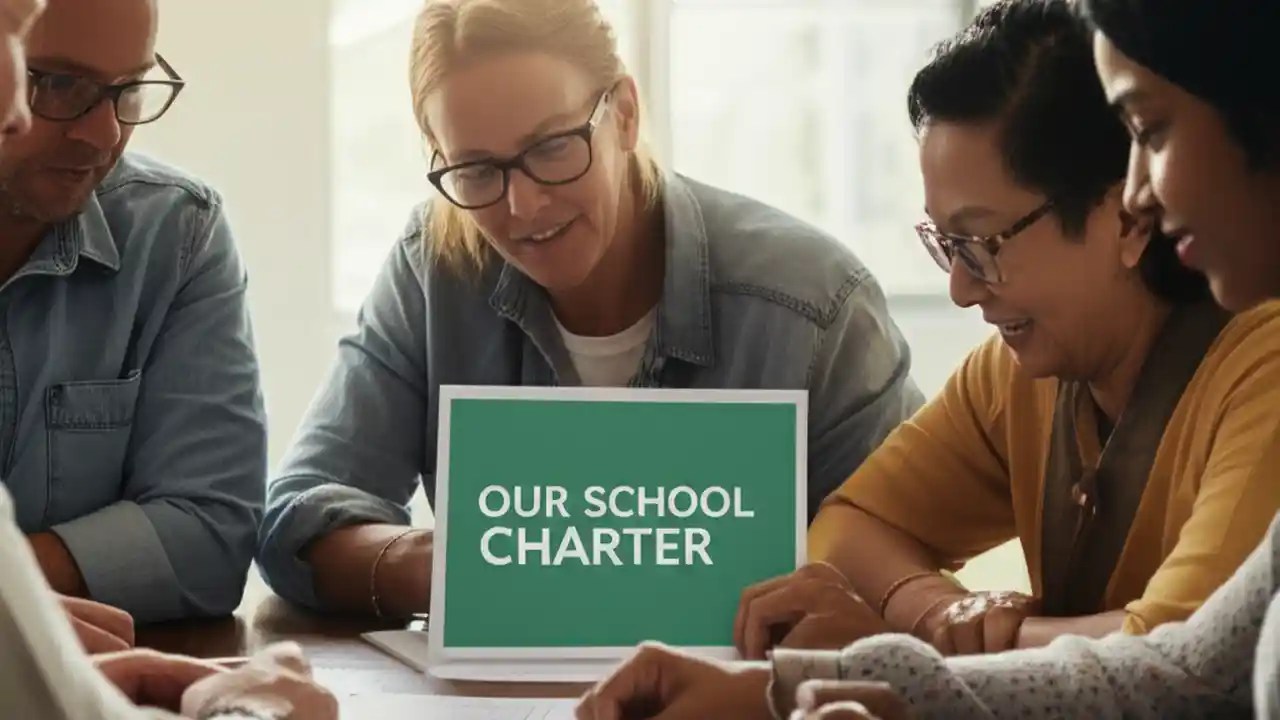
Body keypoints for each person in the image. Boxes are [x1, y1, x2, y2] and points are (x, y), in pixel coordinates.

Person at [575, 0, 1280, 717]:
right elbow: (847, 527)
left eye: (981, 246)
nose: (960, 288)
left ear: (1122, 223)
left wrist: (929, 648)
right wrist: (934, 617)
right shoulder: (1019, 372)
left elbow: (1177, 663)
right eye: (945, 246)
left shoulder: (1261, 365)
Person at [258, 0, 922, 618]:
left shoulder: (812, 301)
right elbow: (297, 519)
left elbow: (905, 549)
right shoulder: (436, 265)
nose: (524, 207)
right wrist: (450, 567)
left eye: (552, 148)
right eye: (477, 171)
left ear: (626, 113)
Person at [1, 0, 266, 622]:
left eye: (128, 91)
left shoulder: (175, 232)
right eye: (60, 84)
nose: (105, 133)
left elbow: (210, 536)